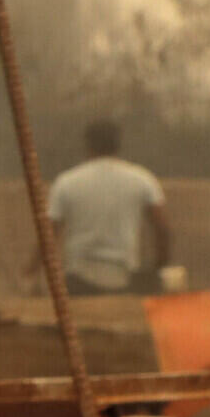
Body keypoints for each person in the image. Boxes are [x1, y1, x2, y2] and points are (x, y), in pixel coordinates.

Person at [41, 120, 169, 295]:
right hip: (124, 279)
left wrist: (30, 271)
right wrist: (159, 268)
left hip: (77, 280)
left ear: (87, 144)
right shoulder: (143, 179)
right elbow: (162, 229)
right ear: (118, 144)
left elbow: (49, 235)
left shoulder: (66, 182)